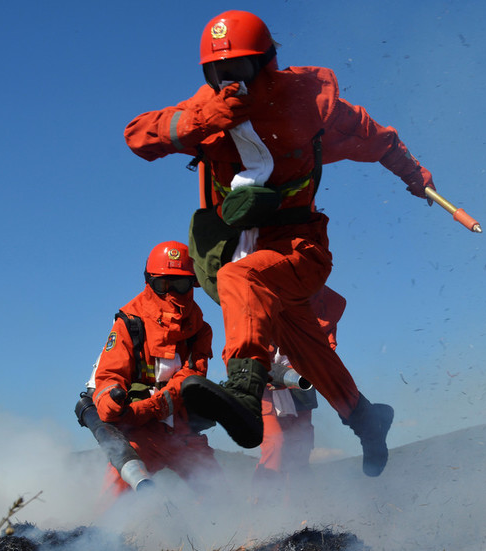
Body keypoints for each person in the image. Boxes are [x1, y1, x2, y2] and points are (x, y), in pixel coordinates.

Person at [123, 11, 435, 476]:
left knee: (239, 278)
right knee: (308, 348)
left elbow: (377, 138)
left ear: (267, 64)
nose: (230, 82)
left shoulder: (311, 102)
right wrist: (199, 118)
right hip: (243, 245)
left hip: (299, 247)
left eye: (241, 70)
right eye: (217, 73)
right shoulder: (208, 107)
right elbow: (138, 136)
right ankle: (367, 419)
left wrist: (415, 177)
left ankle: (245, 398)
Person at [89, 241, 222, 501]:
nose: (171, 291)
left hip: (182, 432)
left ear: (193, 284)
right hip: (139, 434)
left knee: (219, 498)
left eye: (179, 283)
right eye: (163, 283)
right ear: (149, 282)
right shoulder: (129, 323)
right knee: (115, 496)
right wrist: (110, 402)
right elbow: (108, 375)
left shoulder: (200, 331)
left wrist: (148, 409)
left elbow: (190, 380)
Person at [254, 285, 346, 504]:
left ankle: (297, 517)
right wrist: (268, 372)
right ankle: (258, 517)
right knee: (275, 445)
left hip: (300, 383)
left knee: (300, 450)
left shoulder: (322, 306)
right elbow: (237, 354)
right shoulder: (256, 300)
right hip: (262, 384)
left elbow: (324, 352)